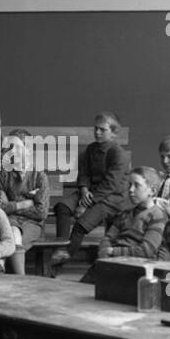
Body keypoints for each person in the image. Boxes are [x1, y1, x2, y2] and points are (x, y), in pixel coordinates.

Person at [51, 112, 129, 270]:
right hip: (89, 192)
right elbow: (84, 173)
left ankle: (58, 264)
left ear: (113, 133)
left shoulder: (118, 153)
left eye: (102, 130)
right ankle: (61, 246)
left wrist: (86, 203)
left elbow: (110, 184)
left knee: (80, 226)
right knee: (62, 207)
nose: (97, 132)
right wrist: (84, 190)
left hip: (110, 198)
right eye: (96, 128)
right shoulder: (91, 149)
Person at [0, 129, 51, 275]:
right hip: (9, 222)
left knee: (12, 237)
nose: (12, 151)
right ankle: (18, 279)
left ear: (28, 150)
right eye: (10, 147)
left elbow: (41, 212)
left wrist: (11, 206)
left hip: (33, 224)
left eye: (17, 147)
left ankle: (18, 280)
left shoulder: (39, 176)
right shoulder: (4, 175)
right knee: (10, 233)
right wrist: (24, 203)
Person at [96, 168, 168, 260]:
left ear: (152, 191)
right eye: (130, 185)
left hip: (138, 264)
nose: (130, 190)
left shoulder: (158, 216)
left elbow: (146, 251)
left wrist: (113, 252)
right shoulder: (125, 214)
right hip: (114, 259)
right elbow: (108, 238)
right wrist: (104, 251)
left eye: (136, 185)